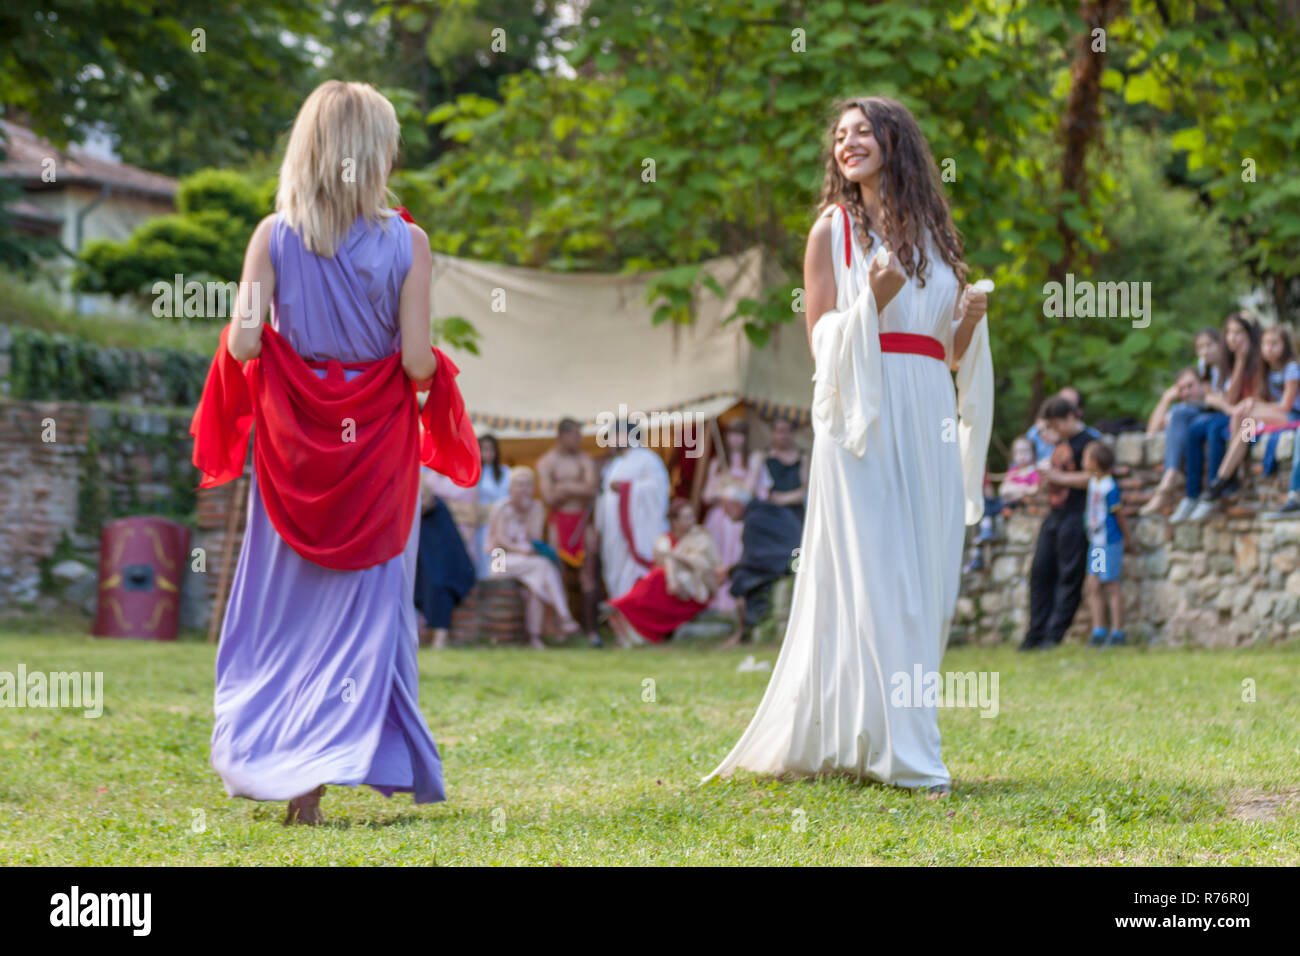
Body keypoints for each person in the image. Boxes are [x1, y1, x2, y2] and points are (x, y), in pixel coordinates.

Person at [196, 81, 481, 824]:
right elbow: (417, 364)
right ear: (373, 152)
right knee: (363, 613)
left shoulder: (274, 235)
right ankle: (321, 775)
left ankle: (285, 762)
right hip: (376, 453)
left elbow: (247, 342)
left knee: (282, 609)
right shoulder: (408, 244)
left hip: (294, 451)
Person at [704, 95, 993, 797]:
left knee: (924, 577)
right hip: (861, 416)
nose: (848, 142)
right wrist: (874, 301)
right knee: (877, 573)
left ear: (897, 140)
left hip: (925, 408)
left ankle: (878, 735)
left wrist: (969, 323)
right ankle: (909, 756)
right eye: (840, 135)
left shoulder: (936, 235)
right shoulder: (830, 231)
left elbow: (949, 358)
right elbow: (821, 342)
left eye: (863, 131)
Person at [1021, 396, 1101, 651]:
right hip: (1054, 515)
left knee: (1069, 574)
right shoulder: (1060, 444)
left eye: (1056, 425)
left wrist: (1059, 477)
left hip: (1077, 515)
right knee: (1040, 572)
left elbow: (1095, 477)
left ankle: (1053, 635)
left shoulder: (1090, 442)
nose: (1053, 431)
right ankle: (1035, 633)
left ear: (1070, 417)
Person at [1170, 312, 1264, 524]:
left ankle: (1219, 483)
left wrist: (1241, 361)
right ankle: (1199, 491)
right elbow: (1229, 399)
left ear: (1250, 334)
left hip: (1257, 420)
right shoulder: (1228, 361)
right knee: (1197, 428)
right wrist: (1239, 361)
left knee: (1230, 429)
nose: (1232, 338)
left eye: (1238, 332)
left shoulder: (1258, 358)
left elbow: (1254, 397)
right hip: (1240, 418)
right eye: (1229, 332)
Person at [1202, 325, 1300, 509]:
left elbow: (1286, 405)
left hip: (1292, 415)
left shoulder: (1291, 369)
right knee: (1243, 420)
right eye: (1265, 344)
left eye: (1274, 344)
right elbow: (1264, 398)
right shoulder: (1265, 369)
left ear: (1284, 346)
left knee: (1246, 413)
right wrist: (1251, 403)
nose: (1268, 348)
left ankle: (1227, 475)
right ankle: (1227, 473)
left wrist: (1254, 405)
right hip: (1275, 414)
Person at [484, 467, 580, 649]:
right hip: (500, 559)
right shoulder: (501, 508)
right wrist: (520, 550)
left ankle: (535, 637)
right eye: (519, 485)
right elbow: (499, 540)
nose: (523, 489)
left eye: (527, 485)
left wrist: (527, 514)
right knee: (542, 566)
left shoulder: (536, 507)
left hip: (527, 563)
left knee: (535, 588)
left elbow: (534, 539)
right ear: (511, 488)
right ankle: (564, 617)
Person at [603, 498, 722, 646]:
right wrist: (673, 571)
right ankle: (628, 612)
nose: (692, 521)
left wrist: (677, 561)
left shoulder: (702, 538)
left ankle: (625, 606)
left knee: (657, 578)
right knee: (655, 578)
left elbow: (707, 566)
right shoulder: (664, 541)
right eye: (686, 517)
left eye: (692, 517)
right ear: (675, 521)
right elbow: (662, 560)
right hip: (668, 590)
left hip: (692, 592)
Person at [536, 418, 602, 645]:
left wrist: (563, 487)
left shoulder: (585, 459)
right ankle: (562, 630)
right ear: (562, 436)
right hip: (559, 521)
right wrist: (577, 488)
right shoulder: (547, 462)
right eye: (575, 435)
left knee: (588, 575)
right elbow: (549, 497)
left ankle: (591, 631)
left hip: (582, 520)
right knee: (558, 573)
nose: (579, 439)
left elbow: (591, 490)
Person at [715, 484, 805, 646]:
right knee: (741, 575)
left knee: (740, 580)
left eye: (726, 508)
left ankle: (744, 631)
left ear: (736, 504)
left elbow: (755, 558)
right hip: (789, 559)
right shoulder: (766, 511)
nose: (725, 513)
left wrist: (731, 571)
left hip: (783, 563)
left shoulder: (755, 519)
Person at [1140, 338, 1219, 516]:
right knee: (1178, 413)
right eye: (1181, 389)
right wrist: (1166, 399)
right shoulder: (1180, 410)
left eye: (1190, 386)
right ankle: (1171, 476)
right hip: (1185, 420)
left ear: (1202, 383)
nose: (1186, 392)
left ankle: (1169, 477)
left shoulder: (1207, 405)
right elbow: (1152, 430)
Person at [595, 424, 671, 603]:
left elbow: (658, 489)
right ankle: (621, 613)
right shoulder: (615, 463)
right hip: (614, 533)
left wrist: (627, 488)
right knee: (616, 571)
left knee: (637, 575)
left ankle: (640, 616)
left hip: (638, 531)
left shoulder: (647, 459)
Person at [700, 419, 763, 613]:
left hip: (738, 519)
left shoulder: (753, 460)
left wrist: (732, 489)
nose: (735, 439)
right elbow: (707, 495)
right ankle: (716, 600)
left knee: (735, 557)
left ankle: (735, 602)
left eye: (740, 434)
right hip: (719, 519)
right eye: (732, 434)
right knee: (717, 558)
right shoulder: (717, 463)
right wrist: (725, 490)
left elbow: (749, 492)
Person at [414, 465, 477, 650]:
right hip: (423, 560)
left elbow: (451, 547)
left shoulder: (440, 512)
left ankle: (440, 636)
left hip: (449, 557)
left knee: (441, 582)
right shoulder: (423, 480)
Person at [1082, 441, 1131, 647]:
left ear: (1094, 462)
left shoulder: (1109, 486)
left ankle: (1118, 632)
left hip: (1108, 542)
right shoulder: (1094, 482)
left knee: (1111, 585)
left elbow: (1118, 514)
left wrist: (1127, 539)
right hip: (1097, 543)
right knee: (1094, 584)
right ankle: (1098, 630)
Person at [755, 416, 809, 521]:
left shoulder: (802, 457)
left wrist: (784, 498)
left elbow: (806, 489)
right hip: (771, 513)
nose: (784, 435)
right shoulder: (763, 456)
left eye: (787, 431)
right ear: (773, 433)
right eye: (780, 431)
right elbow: (759, 490)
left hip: (795, 514)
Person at [473, 434, 512, 578]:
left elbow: (509, 496)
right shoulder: (474, 472)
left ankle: (498, 583)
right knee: (482, 555)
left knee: (498, 555)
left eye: (490, 449)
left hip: (501, 523)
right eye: (483, 449)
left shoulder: (505, 472)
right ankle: (483, 585)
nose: (487, 453)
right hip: (482, 524)